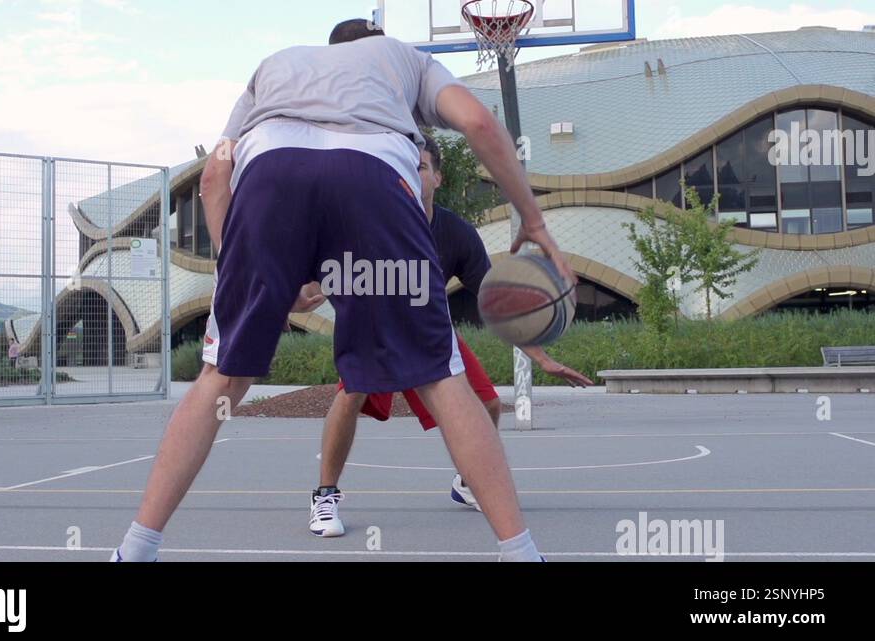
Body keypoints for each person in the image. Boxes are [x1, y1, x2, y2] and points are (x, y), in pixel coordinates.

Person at [111, 18, 576, 563]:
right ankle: (521, 553)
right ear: (376, 44)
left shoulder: (277, 65)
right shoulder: (404, 60)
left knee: (222, 376)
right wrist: (532, 217)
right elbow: (477, 121)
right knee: (441, 378)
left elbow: (216, 175)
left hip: (269, 174)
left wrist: (245, 268)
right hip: (373, 179)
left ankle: (136, 548)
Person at [308, 134, 592, 537]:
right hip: (377, 327)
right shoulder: (373, 224)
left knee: (488, 404)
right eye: (405, 168)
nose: (413, 174)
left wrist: (542, 357)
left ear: (437, 178)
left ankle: (465, 483)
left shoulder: (455, 234)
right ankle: (325, 496)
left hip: (429, 330)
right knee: (350, 394)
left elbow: (493, 302)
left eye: (421, 167)